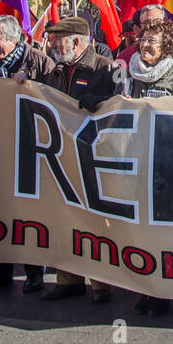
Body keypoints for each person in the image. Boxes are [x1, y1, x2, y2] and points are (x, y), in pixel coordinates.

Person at [0, 15, 56, 295]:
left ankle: (34, 271)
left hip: (31, 146)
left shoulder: (39, 61)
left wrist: (32, 84)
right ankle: (0, 270)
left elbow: (56, 98)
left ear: (13, 38)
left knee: (29, 211)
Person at [119, 20, 173, 316]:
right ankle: (144, 287)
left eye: (153, 41)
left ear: (167, 47)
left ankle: (163, 290)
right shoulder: (129, 73)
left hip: (165, 167)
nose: (146, 45)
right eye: (144, 39)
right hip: (135, 162)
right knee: (139, 230)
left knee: (163, 232)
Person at [41, 17, 119, 303]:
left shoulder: (105, 67)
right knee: (64, 214)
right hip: (61, 152)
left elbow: (121, 103)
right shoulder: (56, 69)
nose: (51, 44)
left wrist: (100, 101)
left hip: (94, 154)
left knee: (96, 218)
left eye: (56, 39)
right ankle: (68, 279)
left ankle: (101, 282)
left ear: (75, 41)